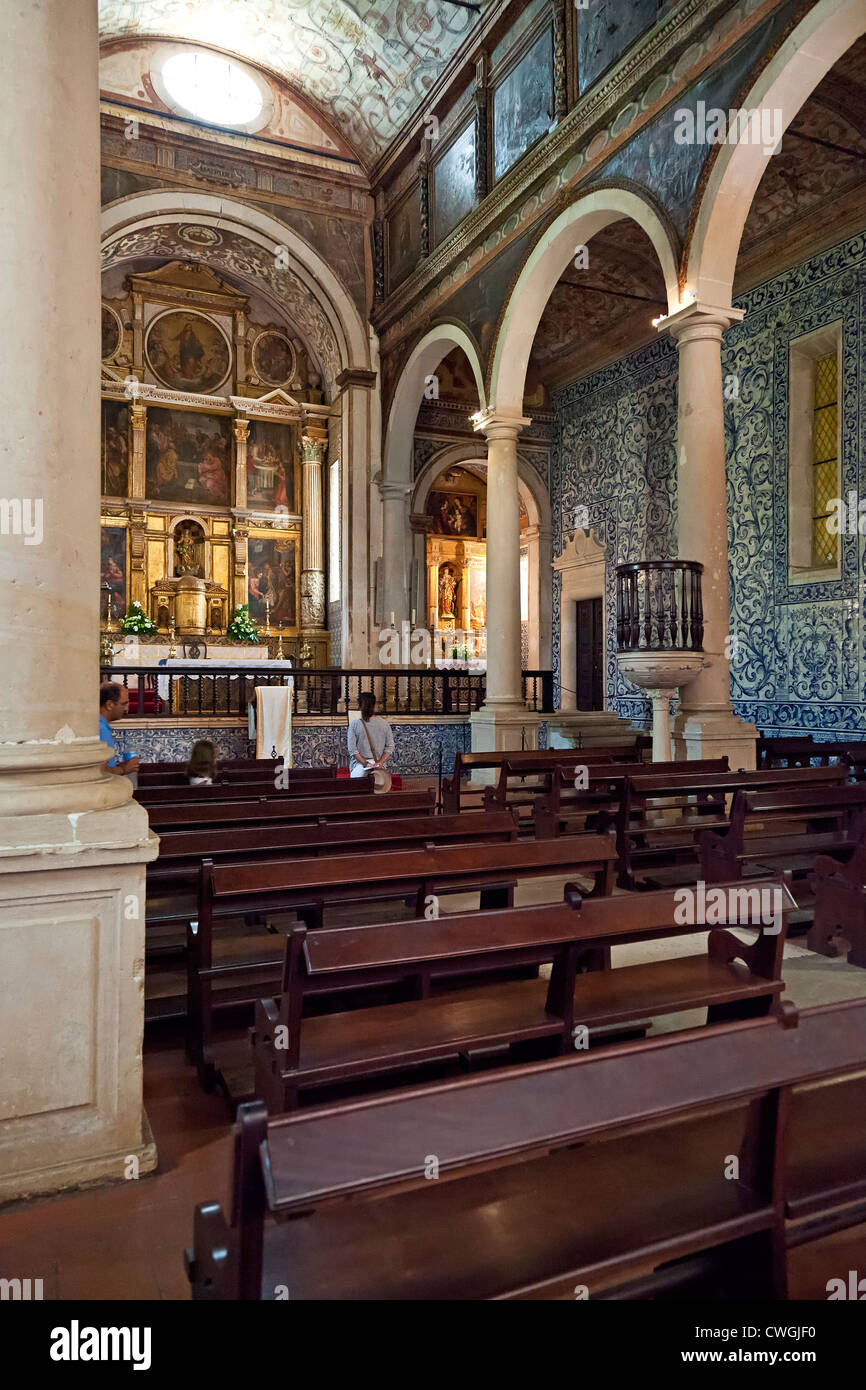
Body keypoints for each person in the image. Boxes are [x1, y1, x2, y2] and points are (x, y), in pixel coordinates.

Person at [347, 692, 394, 779]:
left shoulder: (355, 724)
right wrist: (380, 763)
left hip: (359, 767)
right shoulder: (384, 724)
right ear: (374, 705)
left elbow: (352, 750)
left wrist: (366, 764)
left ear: (359, 705)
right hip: (379, 769)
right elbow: (390, 747)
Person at [99, 683, 139, 782]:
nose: (126, 709)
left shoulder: (100, 725)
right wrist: (123, 769)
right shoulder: (101, 729)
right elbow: (100, 772)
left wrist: (120, 766)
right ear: (109, 705)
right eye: (124, 704)